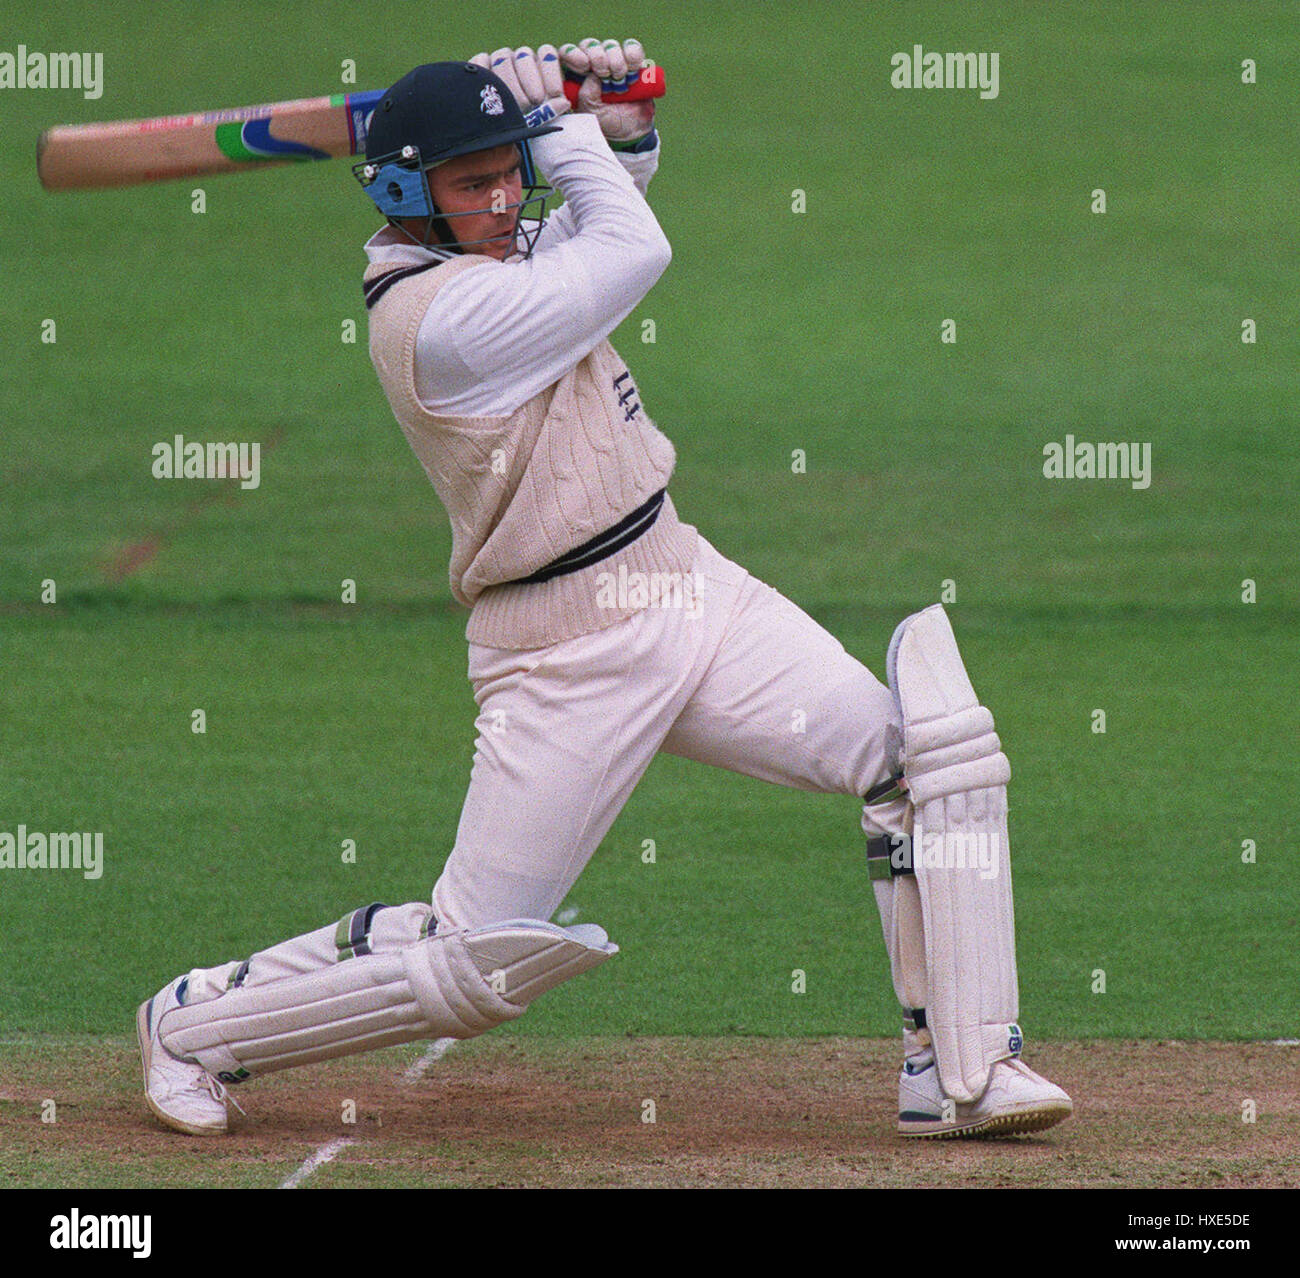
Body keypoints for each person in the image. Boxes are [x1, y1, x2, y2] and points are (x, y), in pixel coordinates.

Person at [137, 39, 1072, 1142]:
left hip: (686, 585)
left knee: (926, 759)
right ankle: (196, 1022)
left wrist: (610, 120)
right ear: (403, 192)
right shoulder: (436, 324)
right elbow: (629, 247)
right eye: (470, 181)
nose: (500, 199)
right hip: (562, 646)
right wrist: (553, 127)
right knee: (473, 962)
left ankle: (958, 1067)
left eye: (504, 174)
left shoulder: (498, 258)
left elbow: (597, 210)